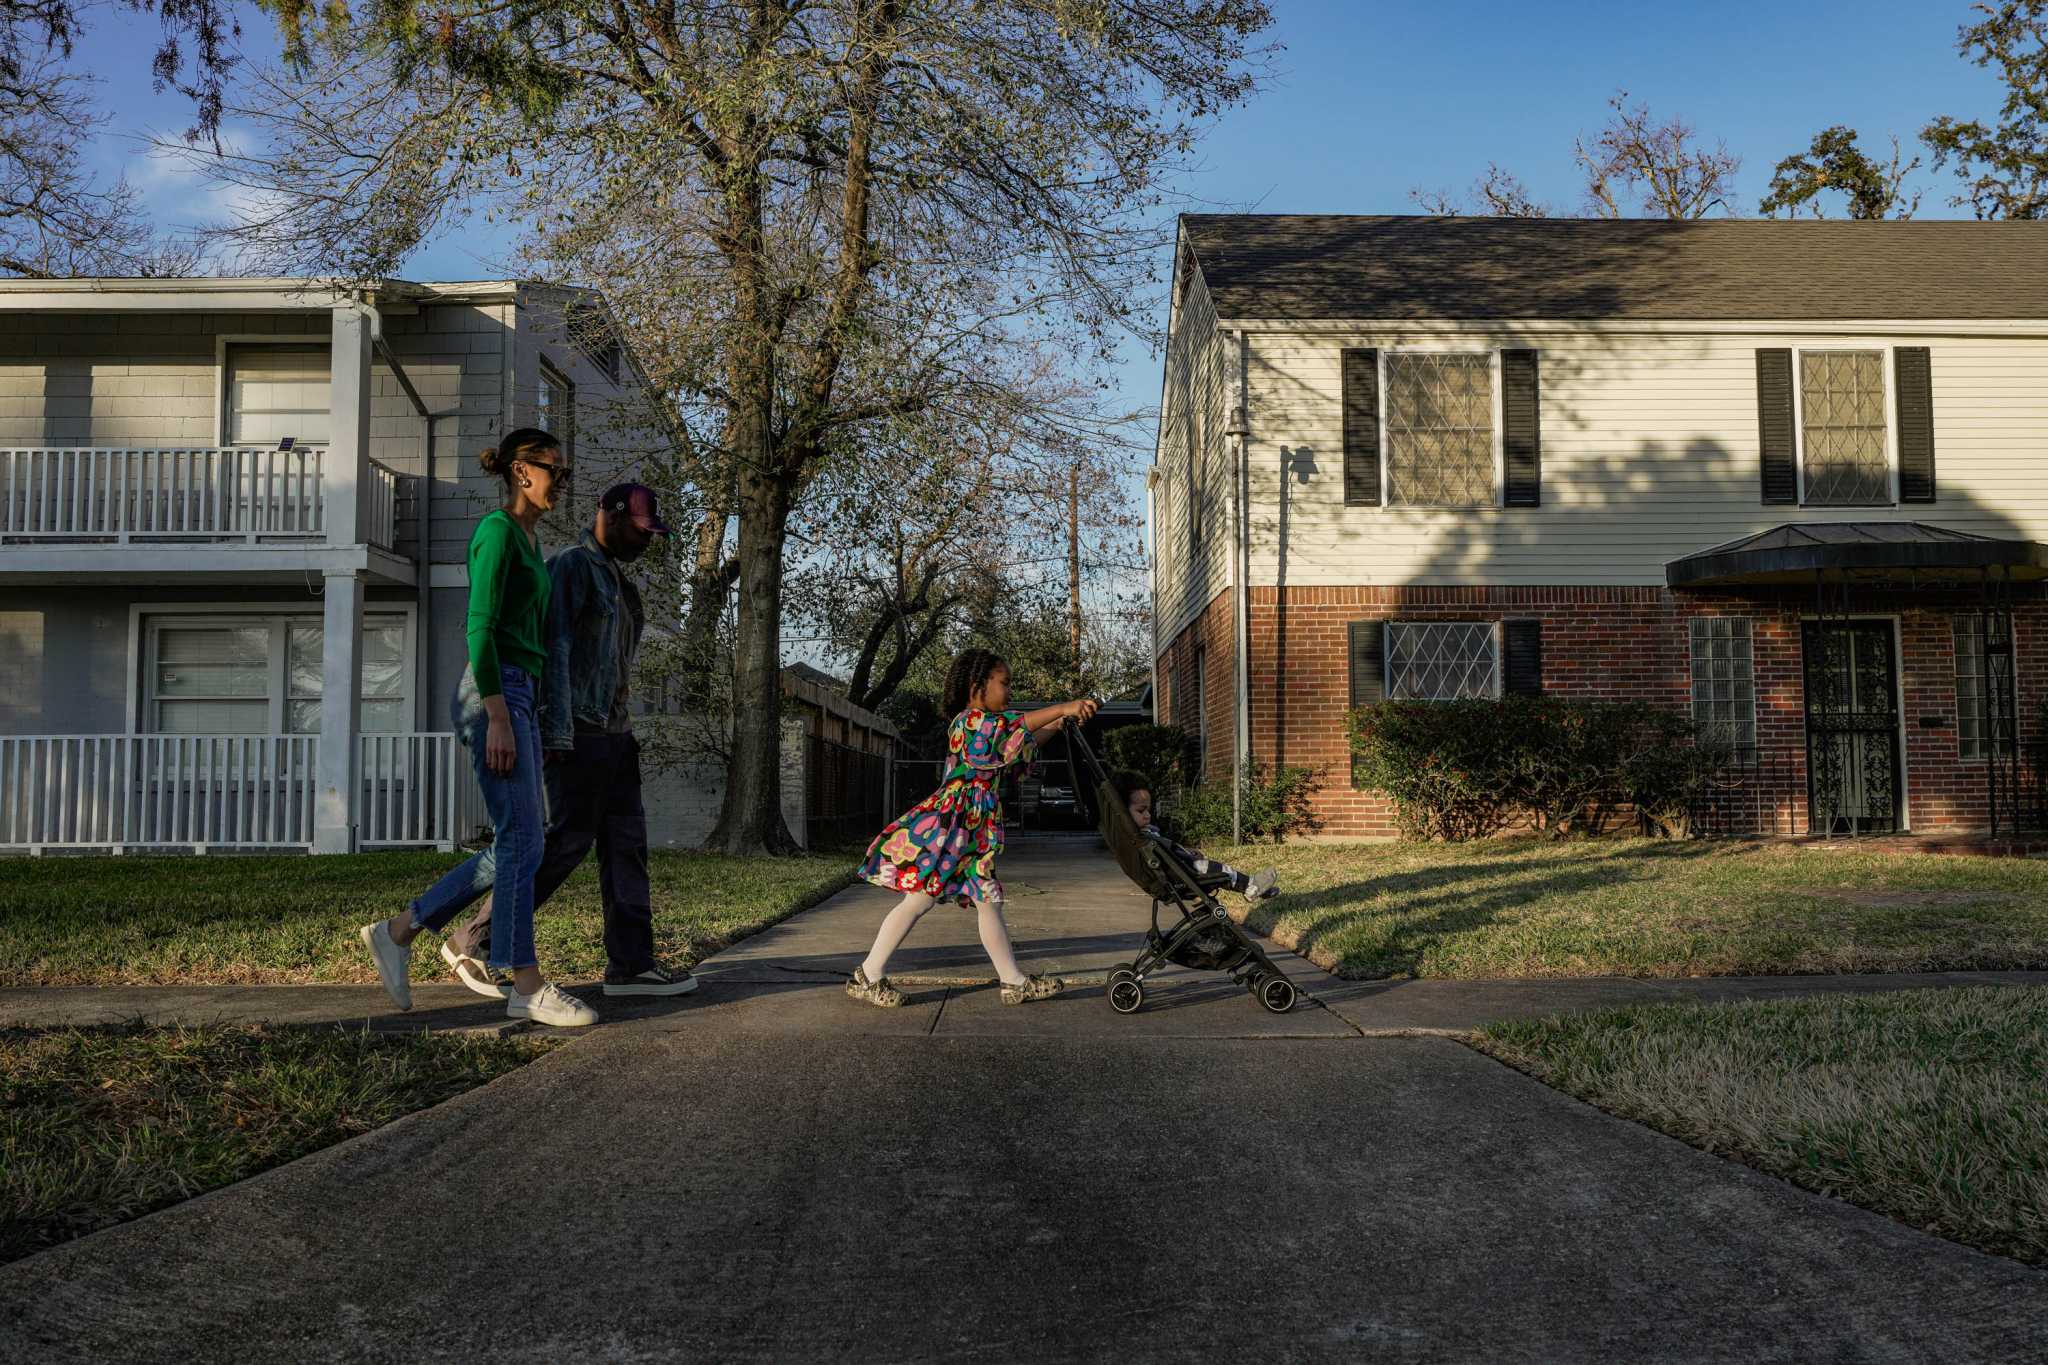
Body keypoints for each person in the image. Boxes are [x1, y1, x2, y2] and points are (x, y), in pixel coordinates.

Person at [357, 427, 598, 1029]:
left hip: (522, 694)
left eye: (564, 473)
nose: (561, 483)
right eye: (554, 471)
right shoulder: (496, 534)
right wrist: (496, 713)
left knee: (521, 841)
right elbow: (480, 628)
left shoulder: (529, 541)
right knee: (524, 841)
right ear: (522, 472)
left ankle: (400, 930)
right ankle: (526, 982)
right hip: (496, 692)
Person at [436, 483, 697, 1001]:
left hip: (616, 733)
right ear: (613, 517)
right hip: (576, 731)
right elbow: (551, 650)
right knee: (560, 845)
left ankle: (631, 964)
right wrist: (555, 730)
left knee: (628, 846)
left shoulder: (620, 583)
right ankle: (477, 940)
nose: (649, 543)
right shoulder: (572, 567)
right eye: (643, 532)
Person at [847, 649, 1100, 1007]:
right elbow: (1011, 730)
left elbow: (1016, 749)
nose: (1009, 691)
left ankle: (1012, 981)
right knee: (921, 899)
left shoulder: (992, 728)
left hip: (971, 833)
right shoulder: (969, 722)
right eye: (1004, 683)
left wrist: (1056, 726)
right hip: (950, 829)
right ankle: (868, 974)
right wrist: (1061, 708)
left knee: (985, 901)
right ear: (976, 686)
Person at [1110, 769, 1279, 902]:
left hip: (1178, 870)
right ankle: (1250, 886)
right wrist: (1188, 857)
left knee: (1215, 868)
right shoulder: (1140, 838)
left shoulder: (1138, 835)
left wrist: (1187, 852)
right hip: (1181, 875)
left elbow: (1168, 852)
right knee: (1221, 870)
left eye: (1148, 810)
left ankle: (1252, 888)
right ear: (1123, 813)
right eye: (1141, 811)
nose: (1147, 815)